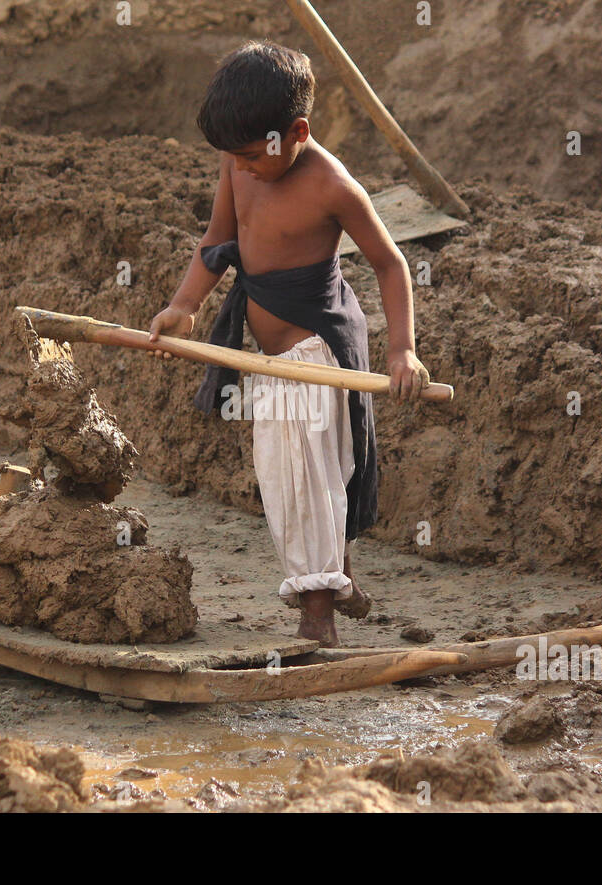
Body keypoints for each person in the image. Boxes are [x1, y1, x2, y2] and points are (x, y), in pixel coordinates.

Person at [147, 41, 430, 647]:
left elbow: (390, 264)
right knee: (291, 473)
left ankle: (317, 618)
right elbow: (217, 240)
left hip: (318, 350)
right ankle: (336, 576)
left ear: (295, 131)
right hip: (270, 355)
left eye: (253, 155)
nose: (243, 168)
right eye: (234, 157)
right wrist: (183, 305)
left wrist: (402, 349)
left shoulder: (332, 186)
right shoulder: (238, 163)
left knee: (306, 473)